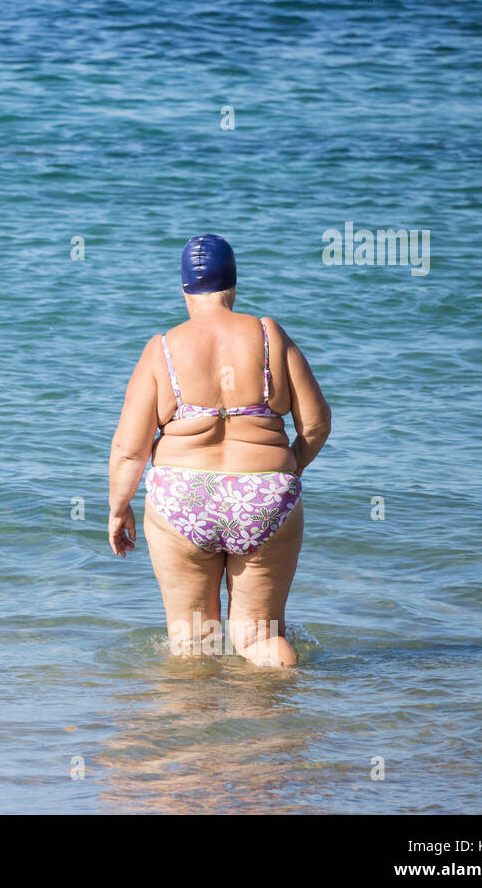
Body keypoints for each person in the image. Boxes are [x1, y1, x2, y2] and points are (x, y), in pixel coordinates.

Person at [107, 235, 331, 666]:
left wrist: (119, 510)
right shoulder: (269, 335)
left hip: (182, 500)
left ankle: (200, 732)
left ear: (184, 290)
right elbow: (317, 423)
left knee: (193, 643)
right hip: (265, 497)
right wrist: (285, 472)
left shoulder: (163, 348)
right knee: (261, 636)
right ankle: (282, 722)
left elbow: (129, 450)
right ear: (233, 285)